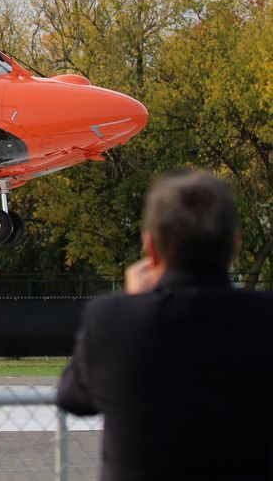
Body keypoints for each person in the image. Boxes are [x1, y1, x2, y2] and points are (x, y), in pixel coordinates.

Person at [57, 170, 273, 480]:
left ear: (151, 248)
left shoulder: (110, 319)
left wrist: (134, 304)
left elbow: (72, 398)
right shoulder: (265, 319)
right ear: (235, 245)